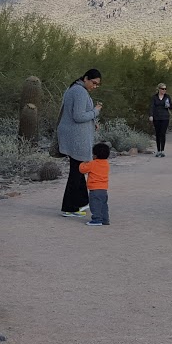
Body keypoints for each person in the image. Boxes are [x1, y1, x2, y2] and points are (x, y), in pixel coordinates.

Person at [57, 69, 103, 216]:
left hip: (73, 136)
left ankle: (79, 204)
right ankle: (71, 207)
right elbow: (78, 116)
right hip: (76, 139)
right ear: (86, 78)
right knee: (77, 171)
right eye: (94, 83)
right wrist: (95, 111)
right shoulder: (80, 92)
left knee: (77, 170)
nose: (95, 86)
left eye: (97, 85)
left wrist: (92, 121)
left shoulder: (75, 89)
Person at [79, 142, 111, 226]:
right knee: (103, 205)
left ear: (95, 155)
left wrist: (83, 163)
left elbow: (82, 170)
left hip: (94, 189)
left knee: (94, 205)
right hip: (104, 189)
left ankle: (97, 219)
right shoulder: (106, 164)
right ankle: (105, 219)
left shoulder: (93, 163)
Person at [148, 82, 171, 157]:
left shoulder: (167, 97)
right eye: (162, 89)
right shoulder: (154, 97)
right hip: (156, 117)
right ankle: (158, 150)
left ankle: (162, 150)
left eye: (165, 89)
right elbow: (152, 107)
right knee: (157, 133)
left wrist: (169, 105)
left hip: (165, 117)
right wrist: (151, 115)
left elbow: (171, 107)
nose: (164, 90)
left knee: (163, 133)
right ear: (159, 89)